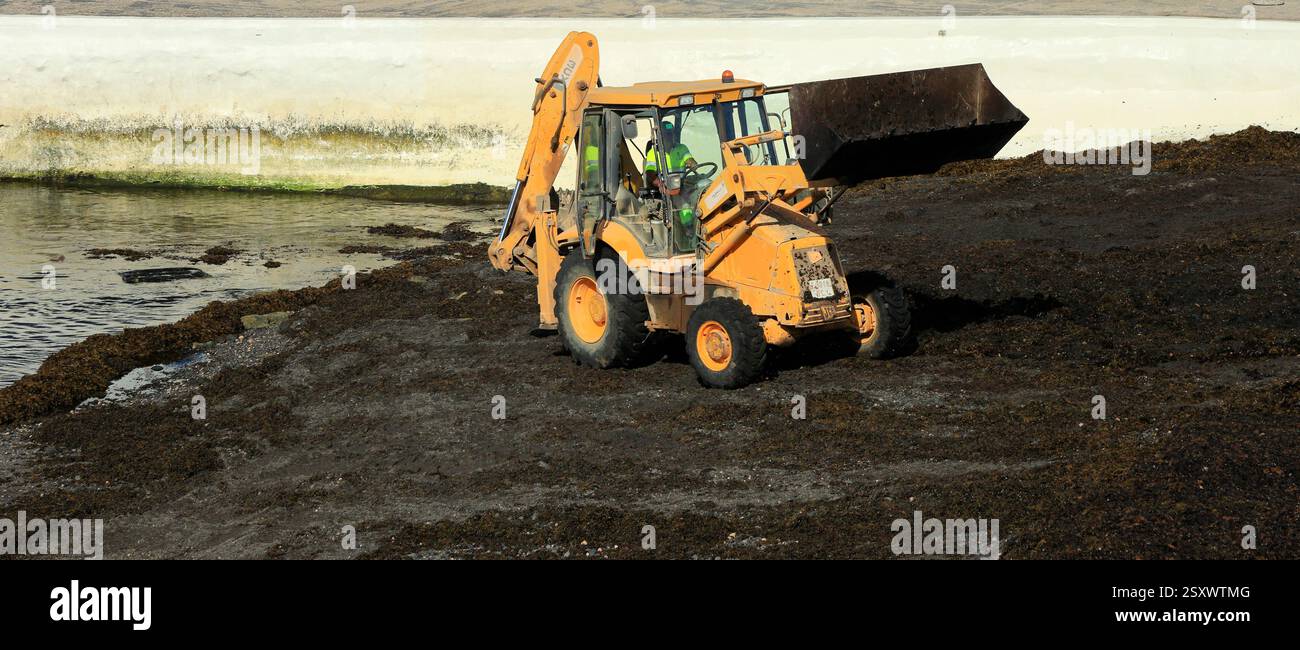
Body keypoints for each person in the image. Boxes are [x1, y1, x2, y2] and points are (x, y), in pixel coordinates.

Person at [644, 120, 697, 190]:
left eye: (672, 134)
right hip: (666, 190)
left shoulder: (682, 148)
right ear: (660, 136)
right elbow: (650, 173)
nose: (670, 137)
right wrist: (660, 184)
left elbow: (689, 160)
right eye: (667, 134)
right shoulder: (653, 153)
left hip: (682, 185)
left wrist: (692, 164)